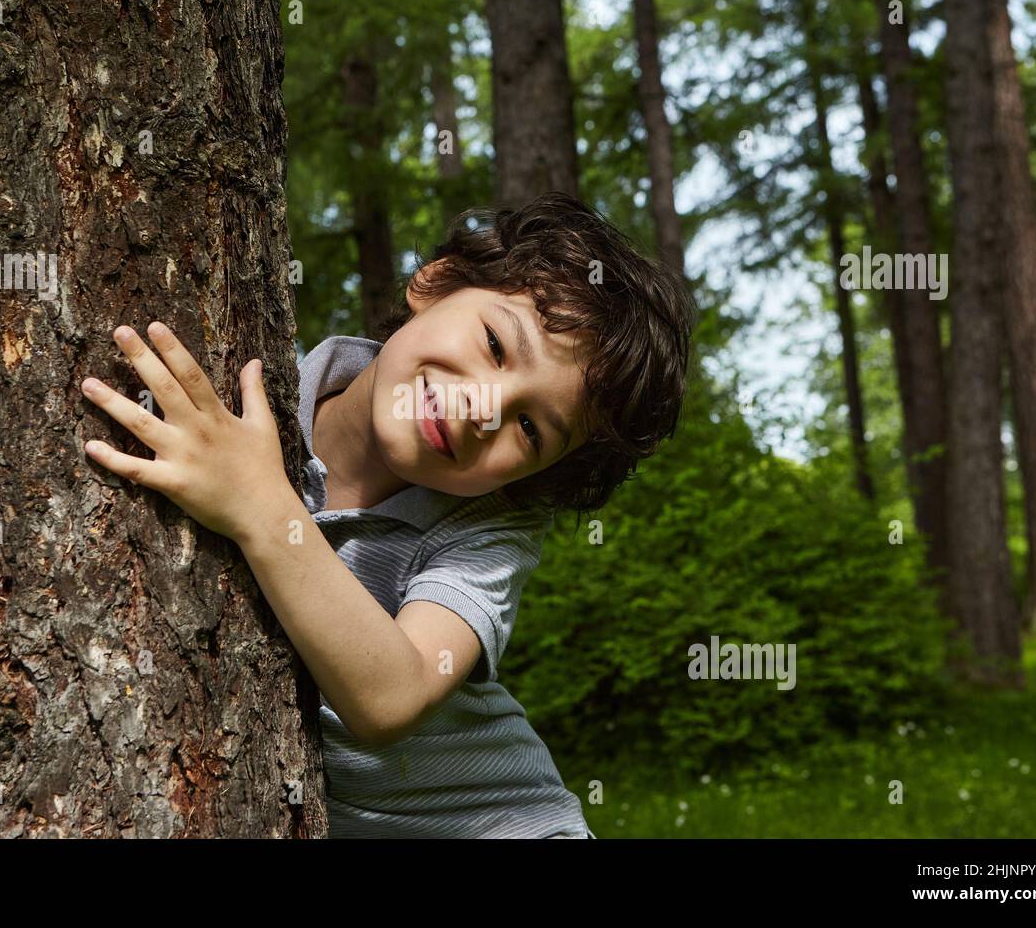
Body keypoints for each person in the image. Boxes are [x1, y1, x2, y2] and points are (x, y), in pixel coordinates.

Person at [78, 192, 695, 837]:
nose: (482, 408)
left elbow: (391, 698)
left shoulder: (487, 527)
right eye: (494, 344)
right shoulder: (251, 395)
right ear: (435, 284)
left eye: (532, 429)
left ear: (533, 479)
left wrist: (257, 505)